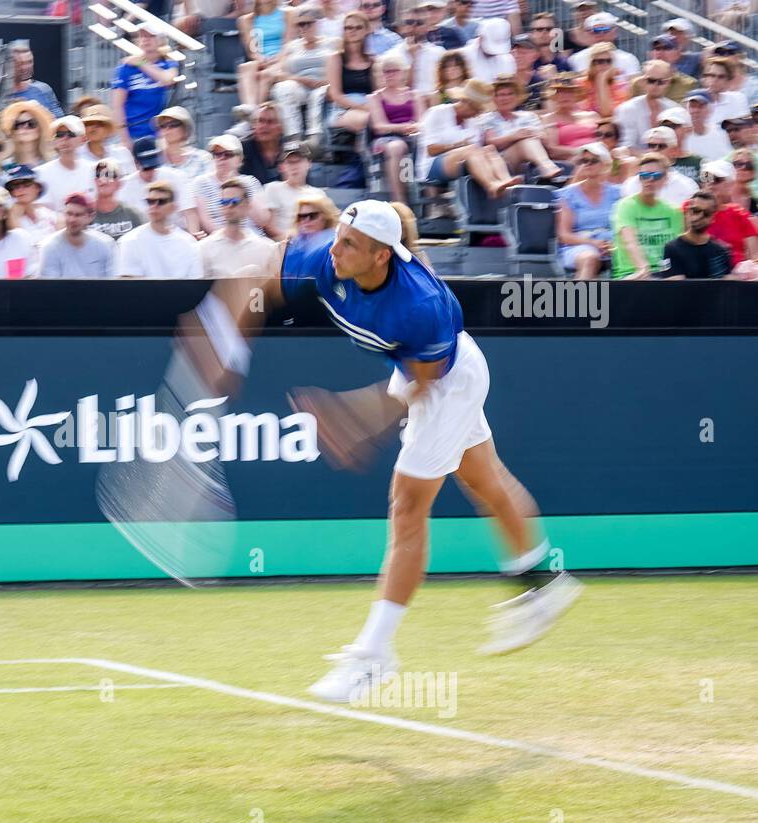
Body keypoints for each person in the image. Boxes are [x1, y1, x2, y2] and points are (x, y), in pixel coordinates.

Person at [206, 199, 581, 701]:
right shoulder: (326, 255)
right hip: (430, 374)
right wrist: (227, 339)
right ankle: (542, 582)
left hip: (449, 380)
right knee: (485, 480)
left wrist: (354, 418)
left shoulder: (420, 305)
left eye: (351, 245)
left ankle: (374, 654)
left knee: (407, 507)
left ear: (382, 255)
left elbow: (422, 385)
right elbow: (267, 278)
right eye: (338, 238)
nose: (336, 250)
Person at [417, 80, 518, 197]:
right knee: (471, 149)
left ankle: (506, 181)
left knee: (489, 149)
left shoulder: (474, 122)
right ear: (466, 102)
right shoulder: (437, 112)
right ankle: (492, 185)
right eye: (477, 109)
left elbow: (478, 152)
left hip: (464, 161)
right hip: (432, 166)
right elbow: (430, 150)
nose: (478, 114)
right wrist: (458, 145)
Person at [611, 151, 683, 279]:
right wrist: (643, 268)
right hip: (632, 272)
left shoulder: (673, 211)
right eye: (644, 175)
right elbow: (630, 242)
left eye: (656, 176)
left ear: (666, 179)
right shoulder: (626, 206)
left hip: (664, 273)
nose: (649, 180)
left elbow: (677, 250)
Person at [480, 74, 563, 182]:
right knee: (524, 142)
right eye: (501, 95)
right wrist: (515, 136)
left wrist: (535, 135)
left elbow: (544, 139)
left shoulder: (528, 116)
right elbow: (490, 142)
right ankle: (547, 167)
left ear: (516, 97)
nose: (505, 98)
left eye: (510, 94)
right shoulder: (488, 118)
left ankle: (546, 168)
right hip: (502, 162)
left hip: (531, 157)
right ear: (494, 98)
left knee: (528, 140)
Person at [555, 141, 618, 278]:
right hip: (579, 245)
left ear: (605, 165)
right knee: (590, 258)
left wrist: (612, 244)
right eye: (584, 161)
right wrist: (593, 243)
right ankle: (579, 299)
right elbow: (564, 235)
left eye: (593, 161)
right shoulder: (568, 194)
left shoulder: (617, 192)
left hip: (612, 243)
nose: (587, 164)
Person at [116, 180, 202, 278]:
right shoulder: (130, 241)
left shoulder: (188, 242)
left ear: (174, 207)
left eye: (161, 202)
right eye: (150, 201)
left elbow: (194, 282)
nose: (154, 206)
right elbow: (129, 284)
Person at [110, 26, 178, 147]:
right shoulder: (126, 67)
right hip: (132, 133)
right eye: (142, 36)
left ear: (160, 40)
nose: (146, 39)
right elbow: (117, 106)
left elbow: (167, 80)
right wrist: (125, 140)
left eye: (151, 36)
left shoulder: (169, 63)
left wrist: (142, 63)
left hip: (160, 134)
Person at [368, 52, 422, 201]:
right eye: (386, 71)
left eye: (394, 70)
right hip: (386, 138)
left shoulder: (415, 95)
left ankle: (432, 199)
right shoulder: (374, 97)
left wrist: (414, 127)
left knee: (428, 143)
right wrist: (402, 128)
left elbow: (422, 121)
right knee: (396, 147)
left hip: (414, 136)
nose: (389, 74)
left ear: (403, 72)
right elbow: (379, 126)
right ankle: (400, 200)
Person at [199, 178, 278, 277]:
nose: (229, 206)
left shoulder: (266, 247)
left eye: (235, 201)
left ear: (247, 206)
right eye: (224, 202)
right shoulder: (205, 247)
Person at [271, 4, 329, 141]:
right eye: (300, 25)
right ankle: (293, 137)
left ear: (318, 23)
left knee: (318, 94)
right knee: (282, 88)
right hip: (299, 86)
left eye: (307, 23)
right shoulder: (292, 46)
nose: (303, 28)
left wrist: (324, 82)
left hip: (325, 85)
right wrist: (303, 80)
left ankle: (315, 138)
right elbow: (279, 73)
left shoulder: (333, 43)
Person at [193, 133, 270, 235]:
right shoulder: (201, 182)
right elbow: (205, 220)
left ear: (239, 158)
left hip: (253, 239)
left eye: (228, 154)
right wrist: (230, 238)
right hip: (220, 240)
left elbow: (262, 220)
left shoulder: (250, 181)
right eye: (217, 154)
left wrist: (239, 187)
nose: (222, 158)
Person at [692, 158, 758, 268]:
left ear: (730, 184)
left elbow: (754, 256)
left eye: (716, 179)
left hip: (735, 276)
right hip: (698, 274)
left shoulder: (739, 215)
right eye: (706, 177)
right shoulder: (689, 209)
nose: (710, 183)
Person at [36, 191, 116, 278]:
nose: (71, 219)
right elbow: (48, 288)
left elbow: (113, 284)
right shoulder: (49, 246)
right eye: (69, 214)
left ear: (90, 217)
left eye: (78, 215)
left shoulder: (106, 244)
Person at [658, 190, 732, 279]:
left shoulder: (720, 250)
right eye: (695, 211)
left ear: (713, 218)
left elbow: (724, 285)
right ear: (688, 212)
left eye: (706, 213)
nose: (699, 217)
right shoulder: (671, 248)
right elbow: (670, 285)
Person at [325, 11, 374, 144]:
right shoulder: (336, 58)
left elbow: (378, 92)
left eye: (358, 27)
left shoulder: (373, 61)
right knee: (371, 118)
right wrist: (366, 108)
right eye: (348, 27)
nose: (353, 31)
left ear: (366, 30)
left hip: (369, 106)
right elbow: (336, 95)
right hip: (343, 110)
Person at [613, 60, 680, 154]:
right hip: (637, 163)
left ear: (668, 83)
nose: (655, 85)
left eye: (661, 82)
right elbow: (626, 147)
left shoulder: (675, 109)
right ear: (642, 81)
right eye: (651, 81)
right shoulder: (627, 109)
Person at [263, 141, 324, 239]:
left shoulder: (318, 194)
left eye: (298, 161)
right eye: (290, 162)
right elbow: (270, 227)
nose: (294, 166)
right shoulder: (272, 188)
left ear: (309, 163)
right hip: (283, 246)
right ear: (281, 167)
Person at [237, 0, 291, 110]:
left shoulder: (288, 13)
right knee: (245, 67)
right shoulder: (246, 20)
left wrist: (277, 58)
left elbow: (289, 44)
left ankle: (255, 116)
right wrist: (261, 58)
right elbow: (252, 50)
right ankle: (250, 108)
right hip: (262, 60)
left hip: (283, 59)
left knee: (264, 75)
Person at [36, 113, 95, 209]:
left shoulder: (94, 169)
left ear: (83, 139)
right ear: (53, 141)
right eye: (59, 135)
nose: (64, 139)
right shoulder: (40, 173)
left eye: (71, 134)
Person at [541, 72, 598, 162]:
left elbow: (604, 138)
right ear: (554, 96)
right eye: (560, 92)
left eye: (569, 92)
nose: (564, 96)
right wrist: (582, 151)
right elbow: (552, 150)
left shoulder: (591, 115)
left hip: (600, 156)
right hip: (572, 160)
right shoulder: (549, 118)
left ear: (576, 95)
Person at [1, 38, 62, 118]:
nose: (26, 67)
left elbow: (59, 120)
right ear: (9, 65)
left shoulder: (43, 90)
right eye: (20, 63)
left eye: (29, 62)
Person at [569, 14, 639, 80]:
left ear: (615, 32)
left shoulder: (628, 59)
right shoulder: (575, 59)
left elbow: (634, 88)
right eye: (595, 31)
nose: (600, 34)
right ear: (586, 34)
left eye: (605, 30)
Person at [632, 34, 696, 105]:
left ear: (677, 53)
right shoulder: (638, 83)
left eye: (666, 48)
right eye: (656, 48)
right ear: (650, 53)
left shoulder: (688, 84)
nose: (660, 52)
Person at [88, 156, 142, 240]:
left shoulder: (132, 214)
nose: (104, 179)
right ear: (94, 181)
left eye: (110, 175)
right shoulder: (84, 213)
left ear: (120, 183)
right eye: (99, 175)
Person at [154, 105, 211, 181]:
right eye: (163, 126)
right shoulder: (153, 159)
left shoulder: (202, 158)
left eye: (173, 124)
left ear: (186, 129)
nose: (167, 129)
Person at [0, 99, 54, 168]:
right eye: (17, 124)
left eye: (31, 123)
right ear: (12, 130)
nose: (24, 127)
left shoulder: (51, 165)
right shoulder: (4, 167)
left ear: (40, 129)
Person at [240, 102, 284, 184]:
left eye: (270, 122)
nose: (264, 126)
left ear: (281, 127)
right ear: (253, 126)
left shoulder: (289, 149)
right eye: (260, 121)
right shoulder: (242, 150)